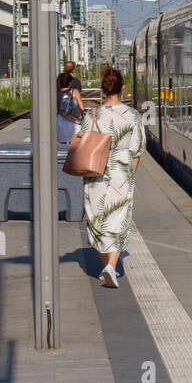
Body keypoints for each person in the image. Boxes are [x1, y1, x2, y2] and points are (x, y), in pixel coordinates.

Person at [81, 66, 144, 288]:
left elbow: (83, 144)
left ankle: (107, 265)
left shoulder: (93, 115)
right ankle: (112, 266)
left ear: (103, 89)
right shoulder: (133, 116)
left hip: (96, 172)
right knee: (118, 219)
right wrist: (129, 176)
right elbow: (137, 150)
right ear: (123, 88)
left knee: (98, 219)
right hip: (121, 172)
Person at [56, 71, 85, 146]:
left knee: (62, 145)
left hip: (60, 120)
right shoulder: (74, 91)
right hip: (73, 121)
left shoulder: (55, 93)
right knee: (75, 145)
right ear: (69, 82)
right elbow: (82, 107)